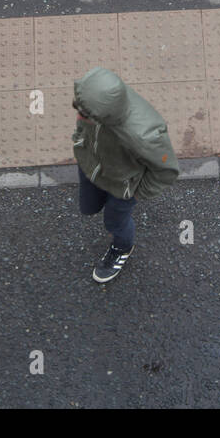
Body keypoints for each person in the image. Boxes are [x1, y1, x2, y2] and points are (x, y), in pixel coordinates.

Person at [72, 66, 179, 283]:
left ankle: (122, 248)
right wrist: (80, 138)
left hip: (123, 187)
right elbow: (85, 123)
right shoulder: (100, 103)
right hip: (93, 166)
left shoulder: (144, 135)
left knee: (115, 223)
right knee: (88, 207)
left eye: (84, 113)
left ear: (104, 116)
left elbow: (167, 170)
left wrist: (137, 193)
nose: (79, 114)